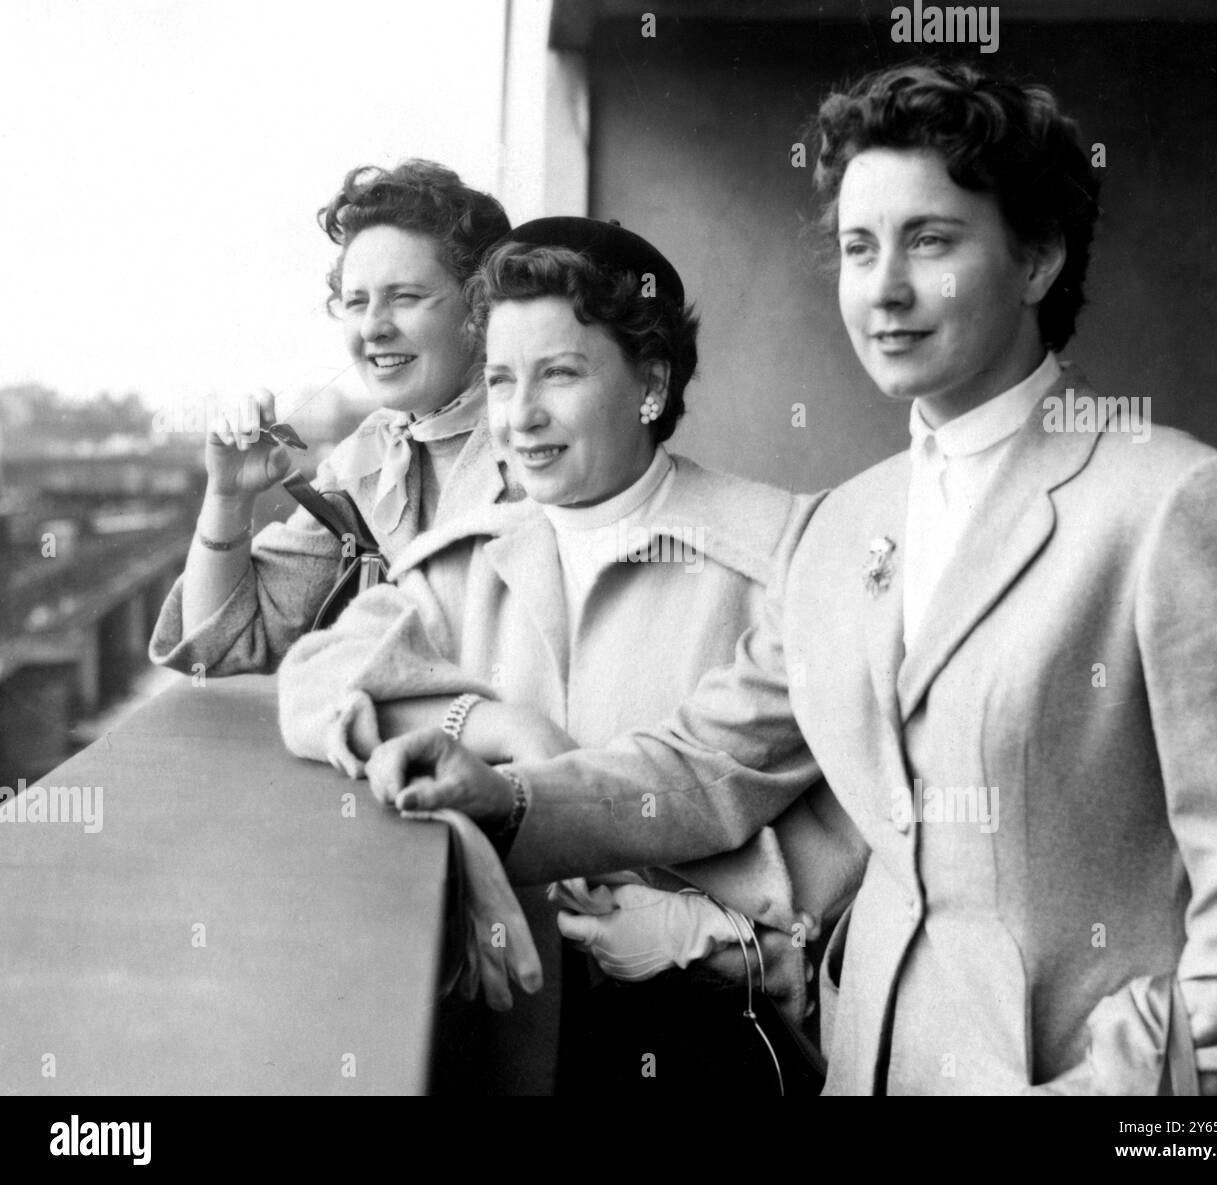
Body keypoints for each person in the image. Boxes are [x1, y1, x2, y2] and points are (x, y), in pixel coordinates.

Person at [373, 62, 1217, 1096]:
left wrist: (1138, 1098)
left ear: (1036, 259)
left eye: (931, 241)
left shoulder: (1176, 503)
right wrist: (505, 800)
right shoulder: (843, 525)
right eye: (859, 248)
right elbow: (707, 765)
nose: (885, 288)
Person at [277, 217, 866, 1092]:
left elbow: (853, 844)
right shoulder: (467, 559)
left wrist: (706, 936)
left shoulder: (782, 554)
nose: (522, 415)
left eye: (560, 373)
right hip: (513, 1043)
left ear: (650, 383)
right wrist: (493, 722)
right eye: (502, 378)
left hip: (715, 1047)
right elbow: (314, 679)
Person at [150, 160, 516, 676]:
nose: (373, 328)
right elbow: (220, 647)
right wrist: (228, 497)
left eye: (405, 297)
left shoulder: (533, 445)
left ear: (480, 307)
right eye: (356, 302)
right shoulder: (369, 456)